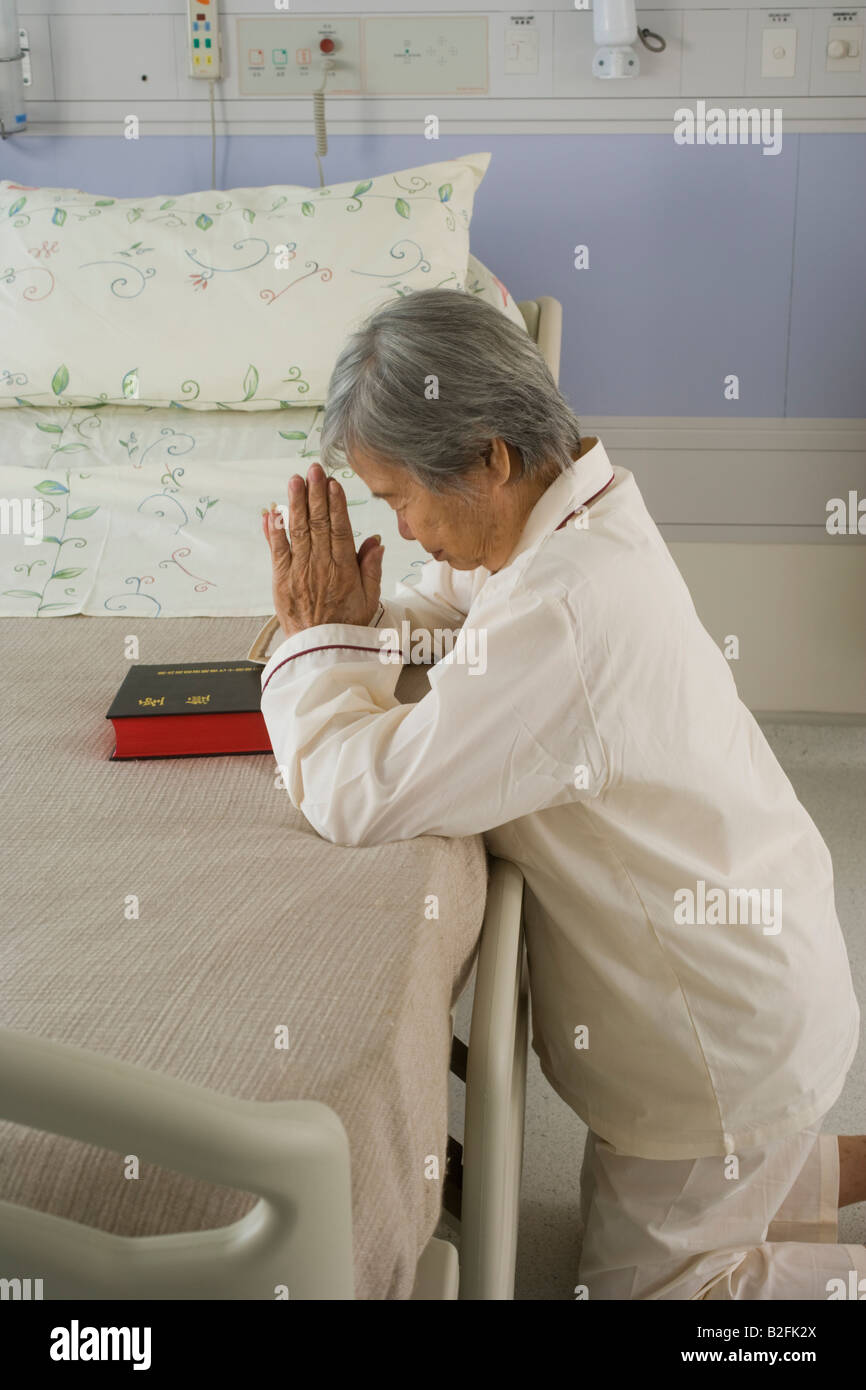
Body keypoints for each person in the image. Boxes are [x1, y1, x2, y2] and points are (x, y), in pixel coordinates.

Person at [259, 286, 864, 1300]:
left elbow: (355, 792)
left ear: (487, 455)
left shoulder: (565, 613)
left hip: (718, 1035)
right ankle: (783, 1176)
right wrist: (349, 627)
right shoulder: (567, 515)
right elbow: (451, 611)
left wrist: (321, 643)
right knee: (682, 1195)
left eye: (401, 499)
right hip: (753, 983)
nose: (403, 533)